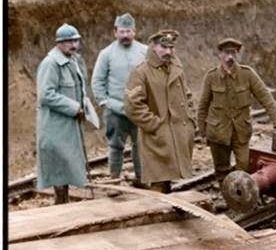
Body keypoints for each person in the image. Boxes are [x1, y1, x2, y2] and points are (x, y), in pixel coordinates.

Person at [198, 38, 276, 188]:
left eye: (233, 53)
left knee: (244, 166)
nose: (230, 57)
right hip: (218, 132)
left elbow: (265, 97)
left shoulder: (247, 74)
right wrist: (202, 131)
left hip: (241, 131)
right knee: (221, 170)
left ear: (237, 54)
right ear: (220, 55)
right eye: (226, 53)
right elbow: (203, 106)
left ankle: (239, 193)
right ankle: (226, 194)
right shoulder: (211, 77)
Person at [124, 29, 195, 193]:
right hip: (156, 137)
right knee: (158, 181)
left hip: (177, 133)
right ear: (153, 47)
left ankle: (169, 204)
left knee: (170, 177)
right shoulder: (141, 72)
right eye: (163, 47)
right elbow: (132, 105)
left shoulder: (176, 68)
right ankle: (158, 207)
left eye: (171, 47)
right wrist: (155, 125)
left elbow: (187, 95)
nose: (168, 52)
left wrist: (190, 119)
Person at [36, 23, 96, 204]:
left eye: (76, 41)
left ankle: (64, 202)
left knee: (68, 164)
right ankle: (60, 204)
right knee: (59, 165)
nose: (73, 45)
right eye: (68, 41)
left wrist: (84, 106)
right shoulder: (51, 64)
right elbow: (46, 95)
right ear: (59, 43)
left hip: (69, 124)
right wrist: (74, 107)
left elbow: (80, 88)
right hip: (55, 125)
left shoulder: (75, 61)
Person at [92, 13, 148, 186]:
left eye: (128, 31)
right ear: (115, 32)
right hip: (116, 110)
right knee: (115, 146)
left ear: (134, 32)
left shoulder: (145, 51)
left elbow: (153, 78)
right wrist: (105, 102)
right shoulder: (106, 54)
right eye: (122, 32)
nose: (125, 35)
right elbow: (97, 81)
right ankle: (114, 180)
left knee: (141, 145)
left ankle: (141, 179)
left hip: (140, 109)